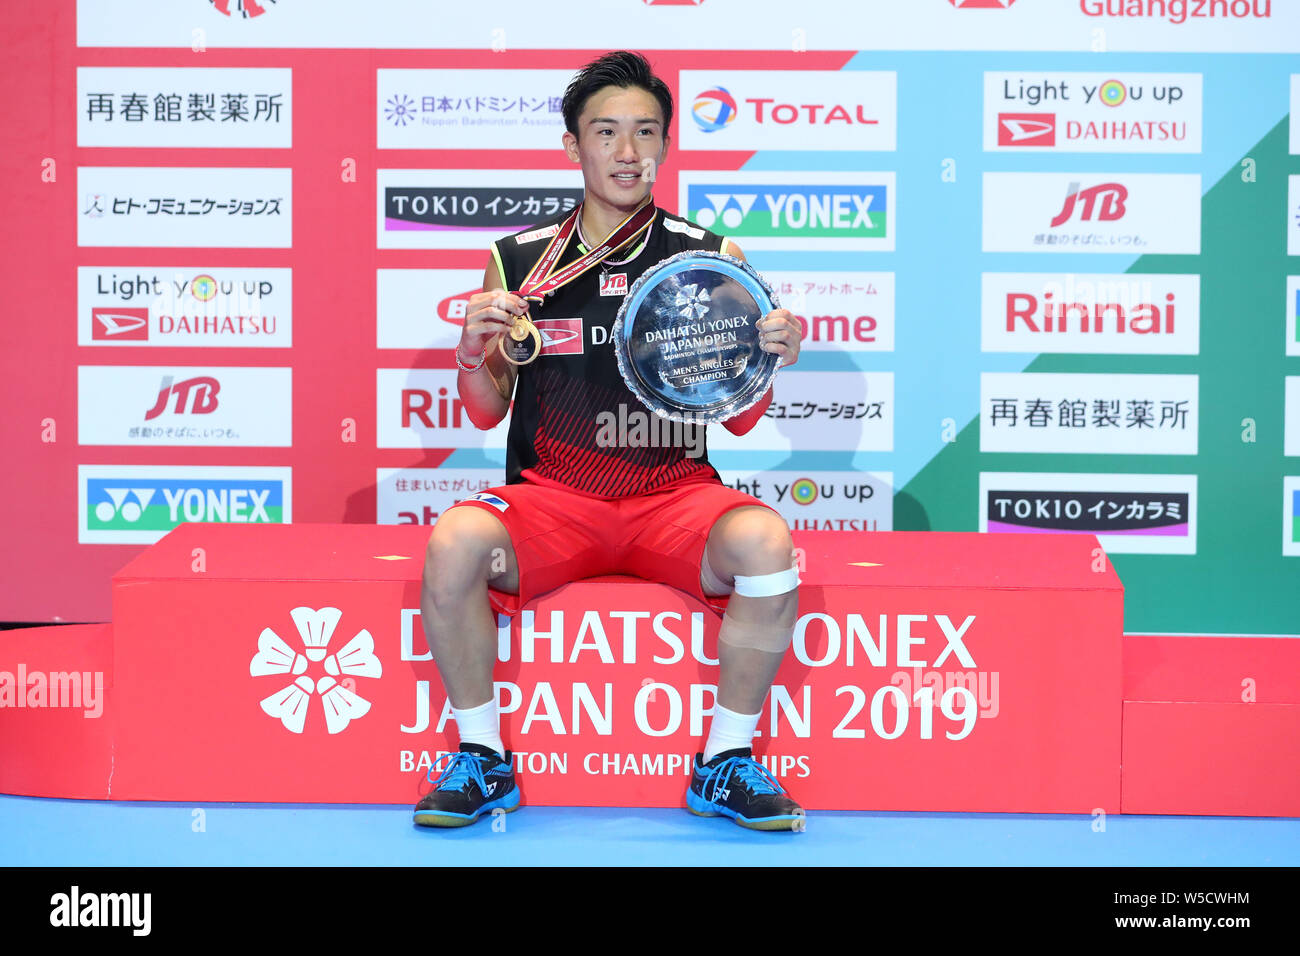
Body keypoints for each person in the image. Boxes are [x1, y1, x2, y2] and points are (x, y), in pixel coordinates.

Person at [415, 51, 805, 831]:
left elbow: (740, 419)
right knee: (454, 540)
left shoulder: (707, 257)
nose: (628, 152)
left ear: (664, 144)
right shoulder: (520, 261)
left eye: (646, 132)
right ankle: (483, 758)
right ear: (573, 147)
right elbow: (488, 408)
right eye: (607, 132)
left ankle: (725, 762)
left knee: (766, 542)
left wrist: (771, 352)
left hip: (675, 499)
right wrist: (470, 351)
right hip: (553, 499)